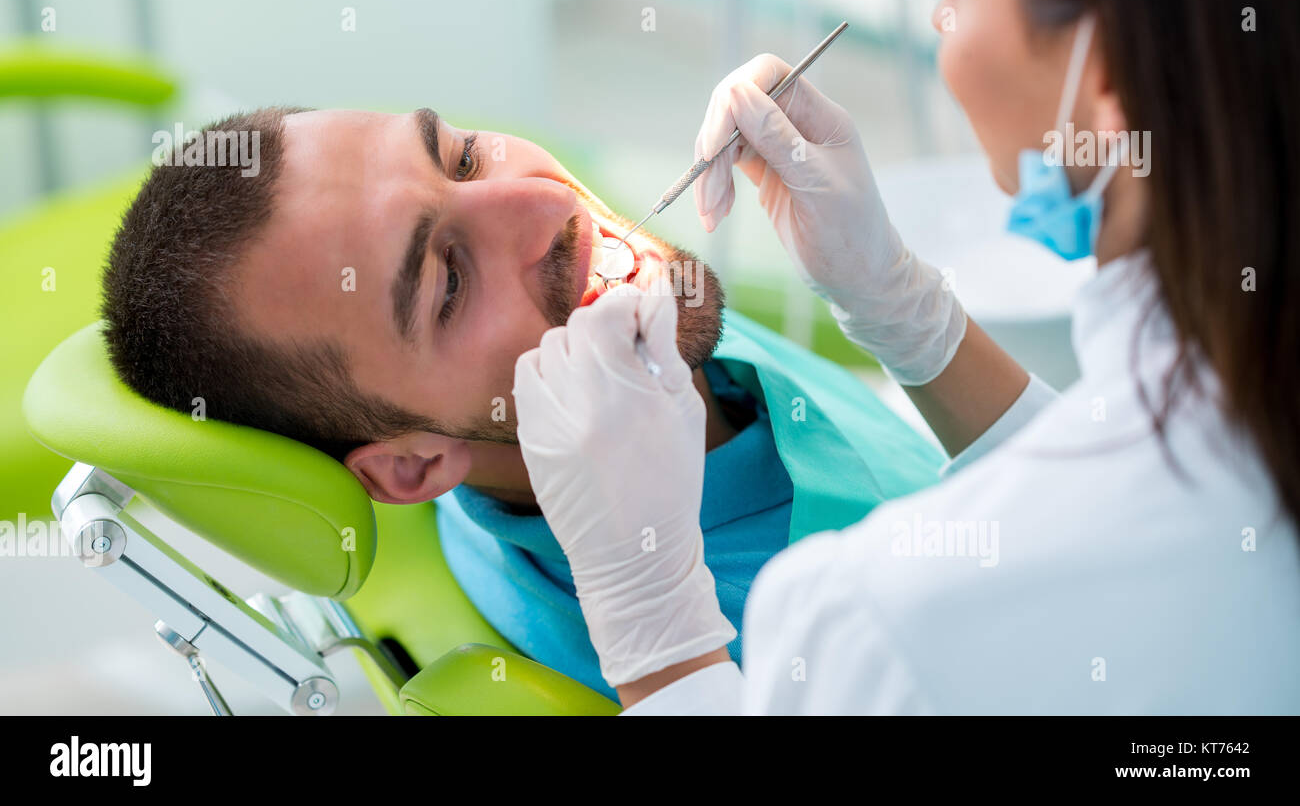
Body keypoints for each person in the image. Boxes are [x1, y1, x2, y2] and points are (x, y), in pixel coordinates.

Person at [511, 0, 1300, 713]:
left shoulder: (876, 625)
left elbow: (1110, 521)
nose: (938, 22)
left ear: (1111, 69)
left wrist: (657, 637)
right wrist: (901, 306)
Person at [101, 105, 945, 699]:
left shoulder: (634, 344)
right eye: (449, 280)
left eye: (463, 156)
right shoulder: (776, 643)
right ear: (413, 462)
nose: (548, 200)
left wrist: (904, 307)